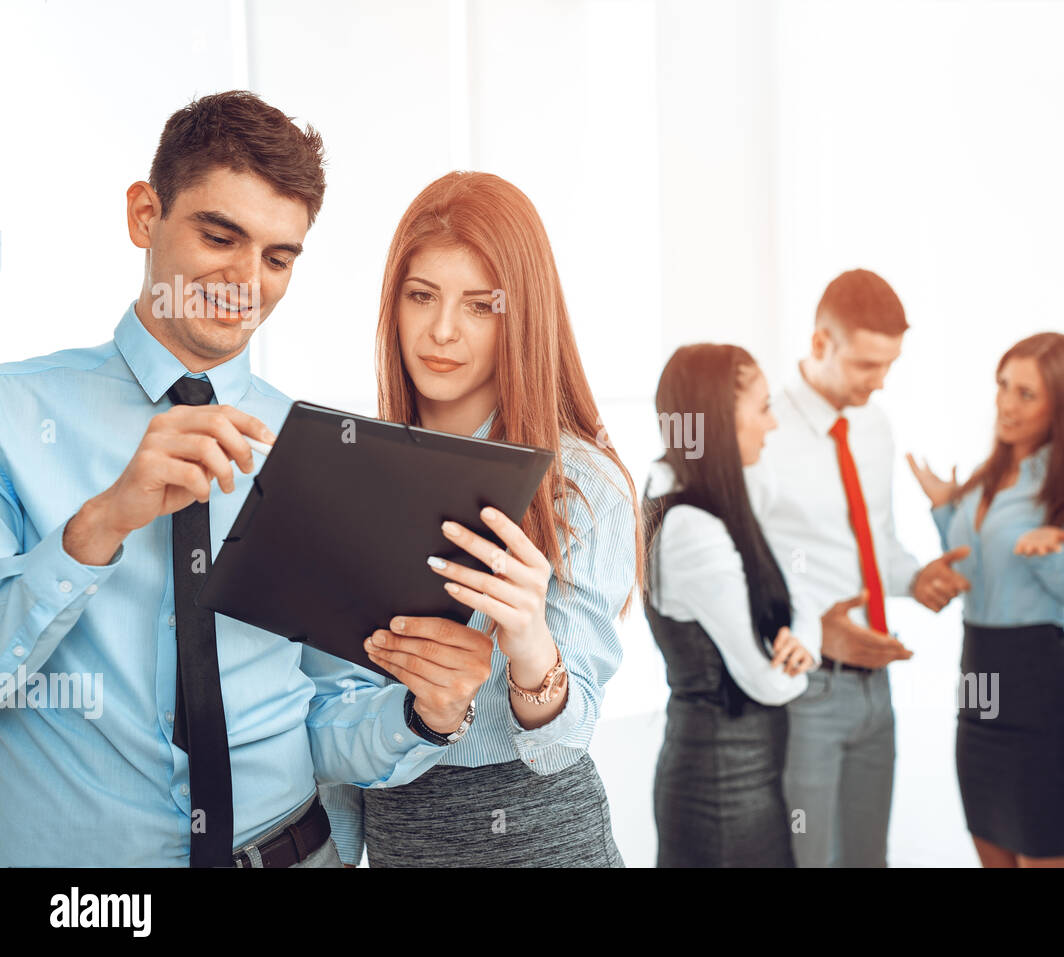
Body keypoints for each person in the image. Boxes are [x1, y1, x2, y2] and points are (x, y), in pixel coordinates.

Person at [0, 91, 492, 867]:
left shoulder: (318, 446)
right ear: (143, 215)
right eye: (219, 235)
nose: (246, 279)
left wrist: (424, 713)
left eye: (278, 256)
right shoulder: (13, 414)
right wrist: (100, 525)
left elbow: (324, 717)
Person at [319, 171, 641, 867]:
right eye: (422, 296)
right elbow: (327, 720)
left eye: (478, 305)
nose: (441, 331)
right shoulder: (348, 472)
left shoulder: (584, 484)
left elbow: (558, 746)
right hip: (400, 837)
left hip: (544, 837)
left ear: (520, 315)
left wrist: (527, 638)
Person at [747, 268, 972, 868]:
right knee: (807, 859)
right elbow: (740, 573)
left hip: (877, 686)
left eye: (890, 366)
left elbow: (878, 542)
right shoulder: (761, 431)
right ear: (820, 343)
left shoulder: (874, 426)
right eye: (867, 366)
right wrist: (818, 630)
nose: (880, 384)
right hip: (805, 685)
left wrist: (915, 578)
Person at [907, 332, 1064, 867]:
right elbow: (977, 579)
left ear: (1061, 405)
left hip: (1041, 699)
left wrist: (1049, 562)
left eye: (1027, 394)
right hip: (978, 697)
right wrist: (943, 512)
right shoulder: (985, 481)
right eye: (1003, 385)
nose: (1006, 403)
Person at [643, 344, 818, 867]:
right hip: (721, 789)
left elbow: (799, 592)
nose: (773, 425)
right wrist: (806, 664)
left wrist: (803, 638)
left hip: (747, 778)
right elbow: (767, 681)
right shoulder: (692, 528)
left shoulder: (709, 496)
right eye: (763, 408)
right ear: (720, 420)